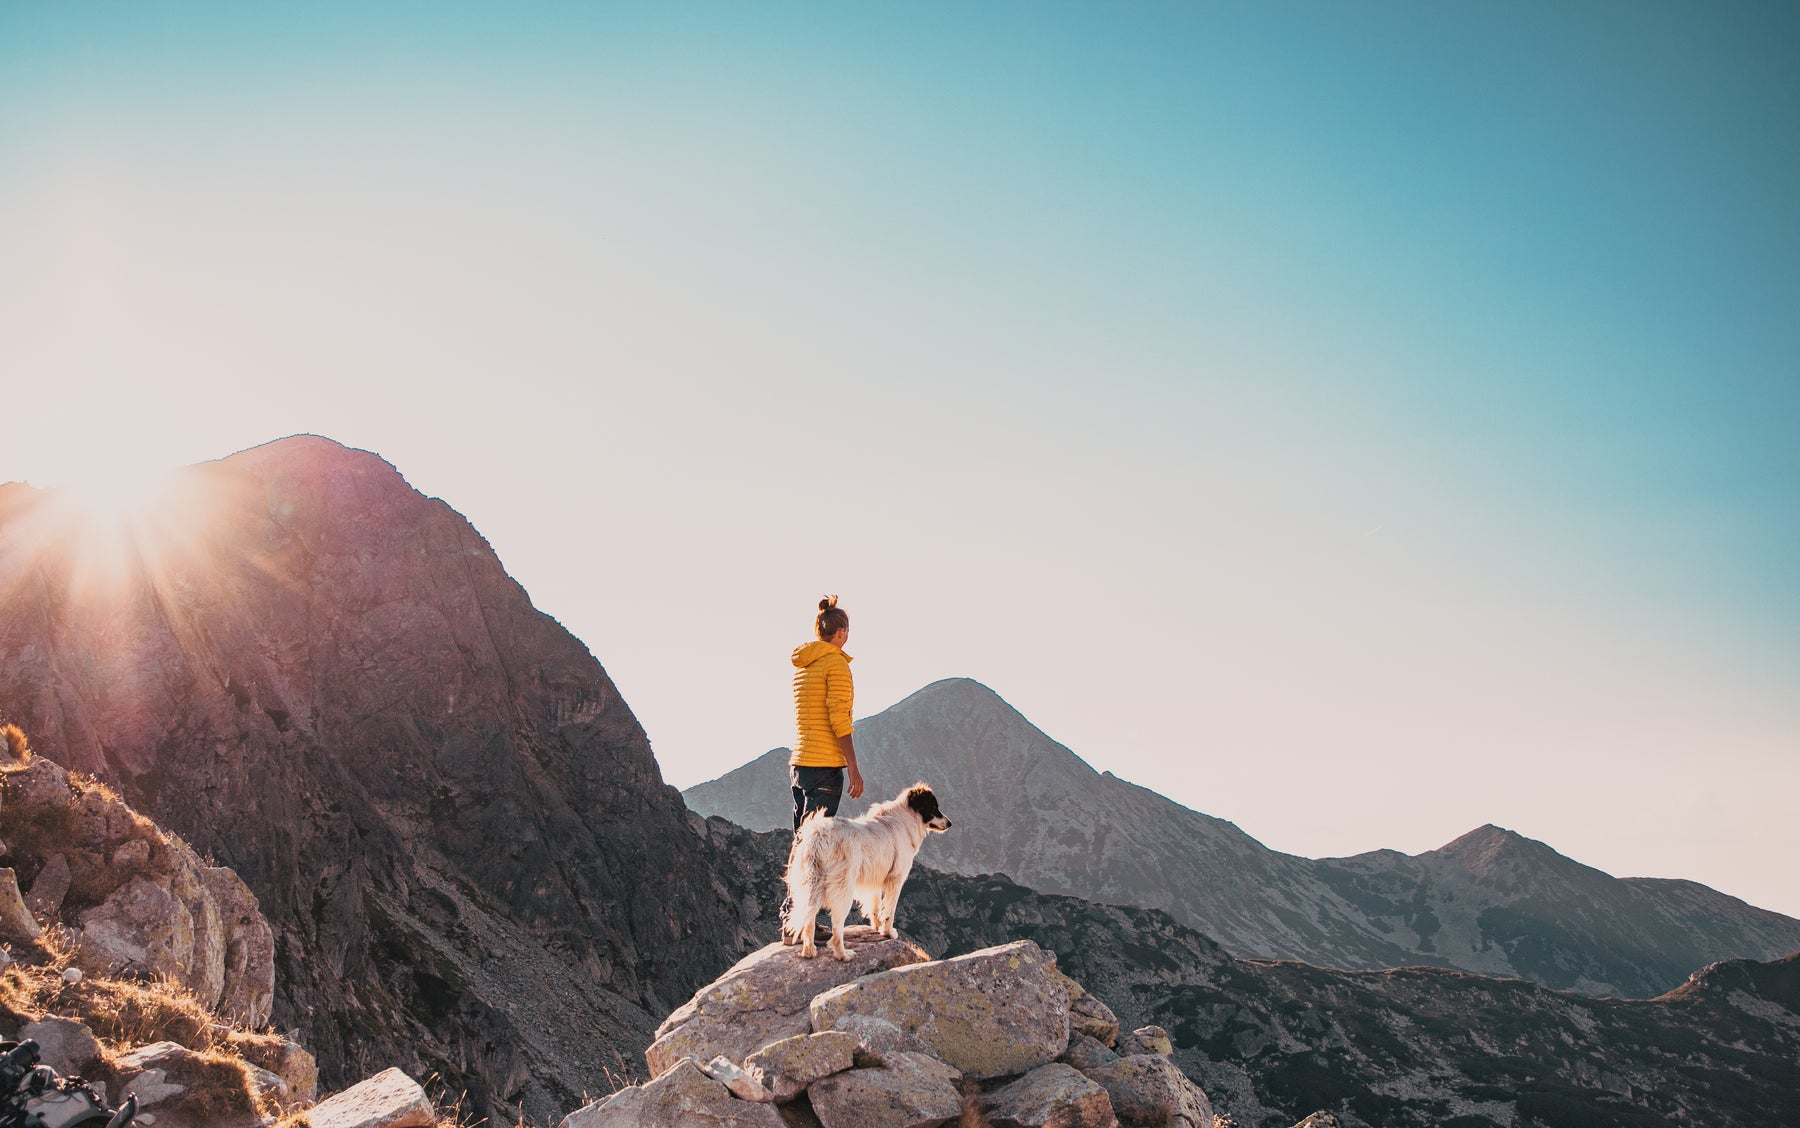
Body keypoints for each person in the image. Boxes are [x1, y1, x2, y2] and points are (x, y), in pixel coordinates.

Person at [781, 594, 864, 942]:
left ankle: (791, 921)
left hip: (800, 763)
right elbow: (838, 719)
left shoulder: (805, 666)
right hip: (826, 765)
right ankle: (805, 925)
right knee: (817, 849)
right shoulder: (836, 666)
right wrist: (853, 767)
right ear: (841, 632)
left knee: (802, 844)